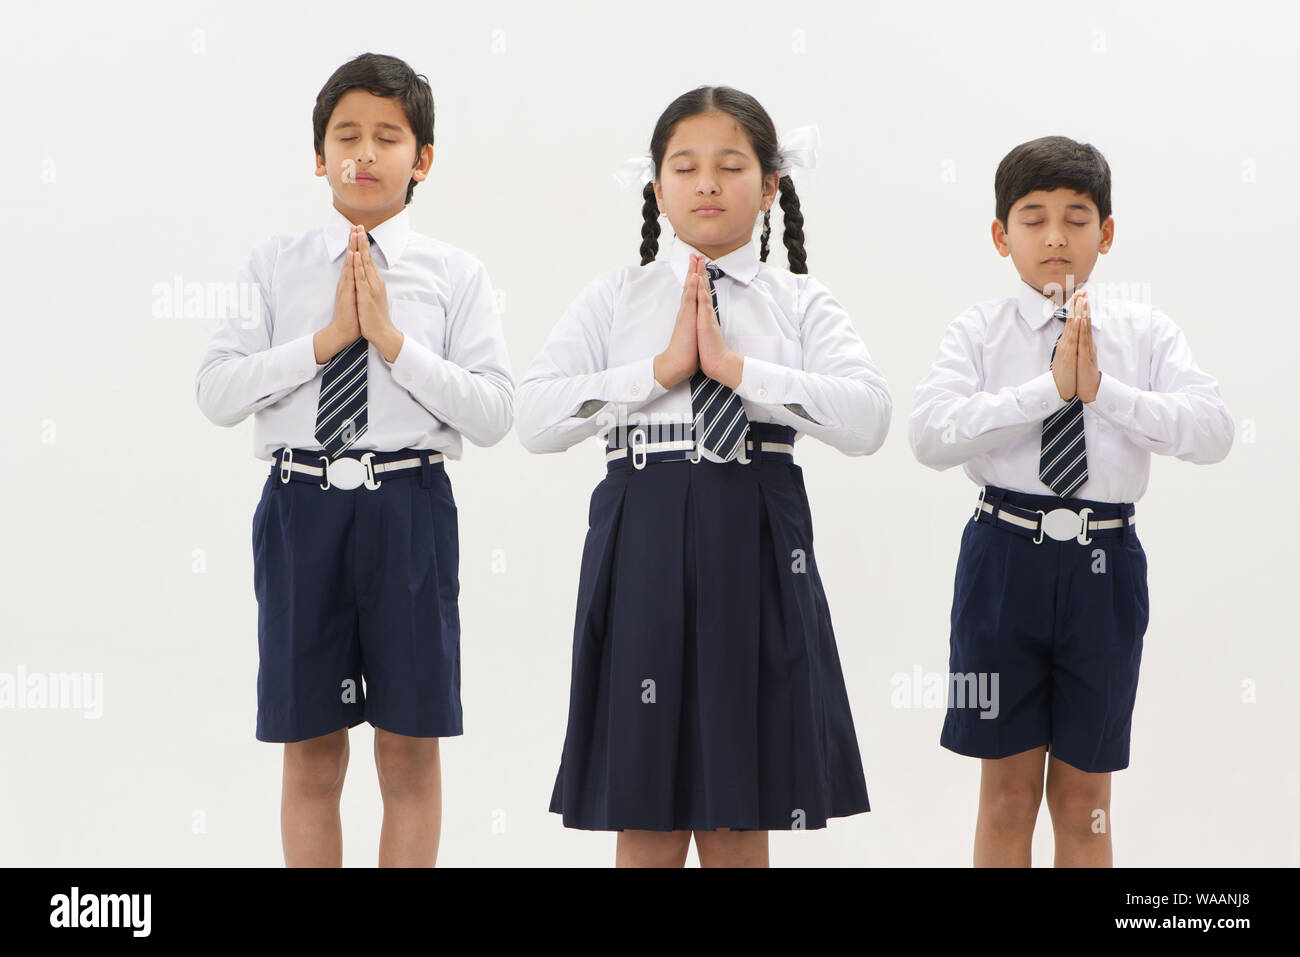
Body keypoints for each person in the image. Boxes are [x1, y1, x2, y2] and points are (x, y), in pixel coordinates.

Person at [515, 86, 891, 867]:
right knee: (645, 802)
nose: (708, 183)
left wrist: (738, 370)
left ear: (772, 184)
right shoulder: (617, 296)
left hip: (756, 529)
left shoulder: (800, 300)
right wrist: (656, 372)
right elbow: (536, 417)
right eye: (685, 167)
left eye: (731, 165)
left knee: (739, 799)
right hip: (641, 528)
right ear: (658, 187)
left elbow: (868, 419)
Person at [194, 53, 514, 866]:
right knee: (311, 745)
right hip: (303, 509)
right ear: (318, 156)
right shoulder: (275, 265)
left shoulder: (456, 275)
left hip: (408, 510)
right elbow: (218, 390)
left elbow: (494, 411)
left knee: (408, 746)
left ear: (423, 159)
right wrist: (326, 341)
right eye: (346, 136)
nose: (364, 154)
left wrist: (393, 342)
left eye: (387, 137)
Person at [909, 135, 1233, 866]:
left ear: (1107, 233)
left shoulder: (1145, 332)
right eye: (1033, 216)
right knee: (1007, 796)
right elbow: (929, 435)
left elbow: (1214, 431)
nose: (1056, 235)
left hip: (1104, 566)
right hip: (1001, 562)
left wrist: (1103, 392)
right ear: (1001, 234)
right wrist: (1046, 391)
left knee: (1085, 801)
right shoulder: (977, 333)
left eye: (1077, 217)